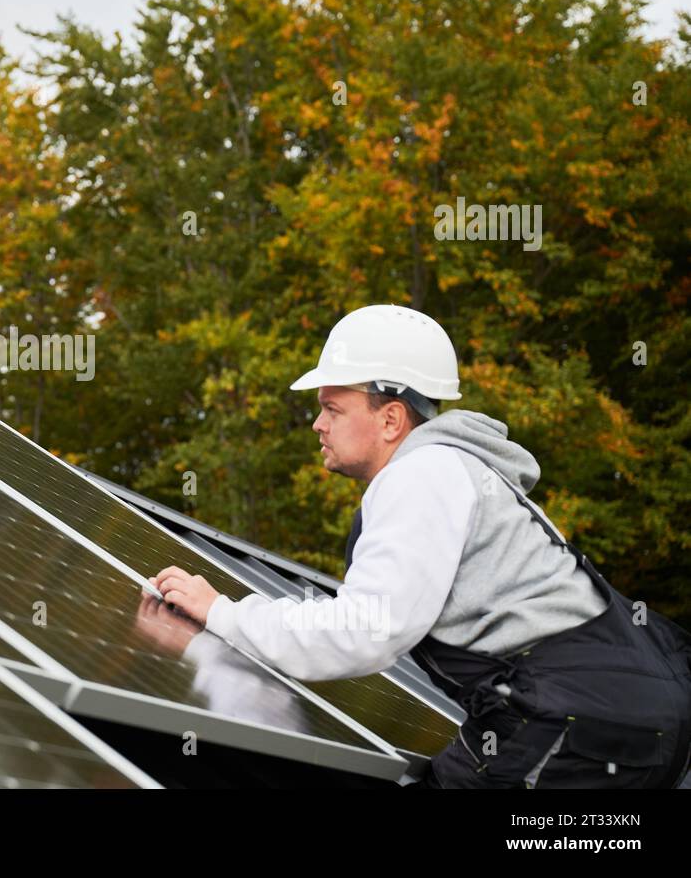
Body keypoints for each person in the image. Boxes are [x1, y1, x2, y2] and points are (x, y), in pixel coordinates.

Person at [151, 304, 691, 787]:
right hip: (636, 721)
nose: (317, 425)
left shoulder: (421, 474)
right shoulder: (462, 472)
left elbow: (362, 631)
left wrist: (222, 612)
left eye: (332, 409)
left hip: (571, 726)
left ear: (391, 418)